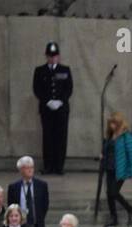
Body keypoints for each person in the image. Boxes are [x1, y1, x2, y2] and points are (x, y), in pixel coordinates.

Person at [33, 42, 73, 175]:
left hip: (61, 109)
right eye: (50, 56)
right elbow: (37, 89)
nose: (52, 58)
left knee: (61, 138)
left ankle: (59, 166)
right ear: (46, 56)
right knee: (48, 137)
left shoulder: (65, 70)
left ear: (58, 56)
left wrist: (60, 101)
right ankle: (48, 166)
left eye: (55, 56)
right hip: (47, 109)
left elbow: (69, 89)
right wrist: (48, 101)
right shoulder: (40, 70)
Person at [102, 112, 132, 227]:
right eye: (110, 124)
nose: (111, 126)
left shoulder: (126, 136)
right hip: (109, 168)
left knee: (114, 192)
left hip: (120, 169)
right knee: (109, 193)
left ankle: (131, 210)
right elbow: (106, 149)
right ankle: (114, 217)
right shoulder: (110, 135)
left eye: (114, 123)